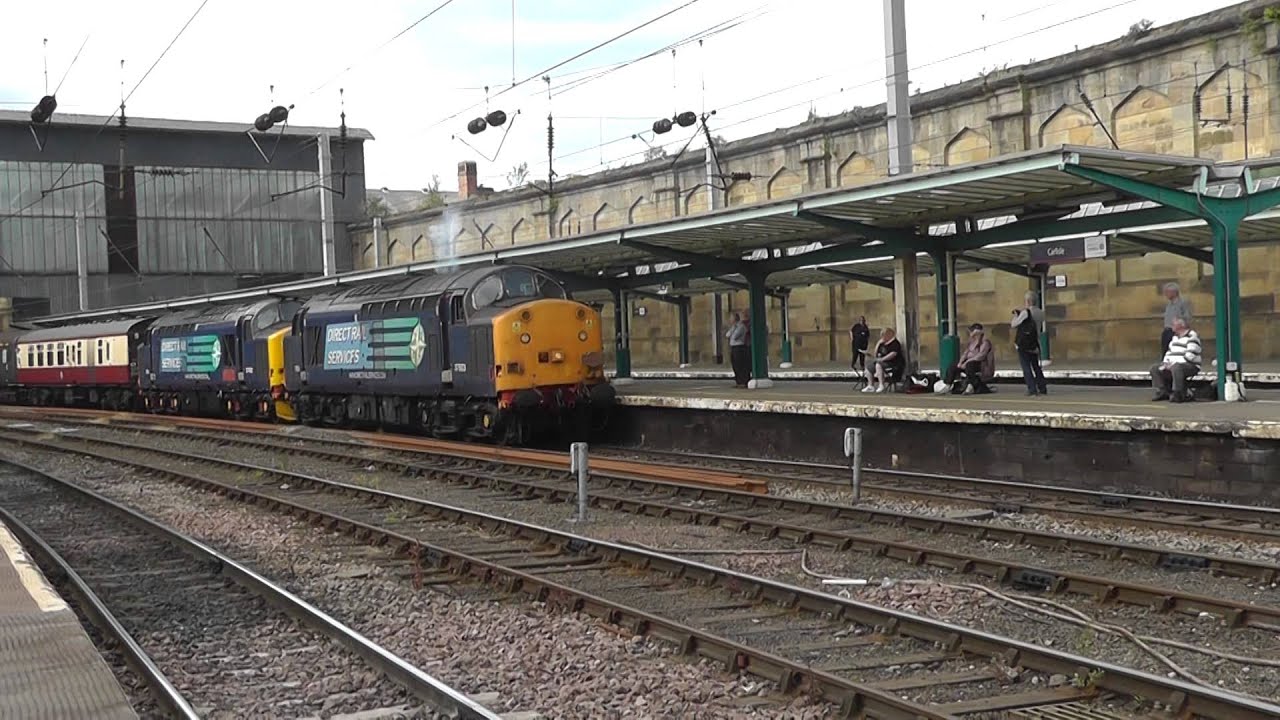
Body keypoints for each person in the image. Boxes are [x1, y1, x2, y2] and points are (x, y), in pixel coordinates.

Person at [1151, 316, 1202, 403]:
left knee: (1177, 367)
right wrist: (1165, 363)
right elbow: (1169, 352)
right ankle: (1162, 391)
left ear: (1181, 325)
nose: (1172, 326)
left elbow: (1190, 356)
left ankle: (1177, 393)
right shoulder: (1175, 338)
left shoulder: (1192, 337)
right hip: (1173, 364)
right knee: (1155, 368)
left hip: (1190, 365)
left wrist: (1172, 364)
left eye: (1173, 324)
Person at [1011, 292, 1047, 396]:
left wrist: (1016, 316)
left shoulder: (1026, 312)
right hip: (1034, 342)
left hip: (1024, 344)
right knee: (1036, 366)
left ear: (1028, 301)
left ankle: (1032, 389)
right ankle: (1042, 387)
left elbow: (1014, 324)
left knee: (1026, 367)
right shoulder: (1041, 312)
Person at [943, 323, 995, 394]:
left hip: (982, 365)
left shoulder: (985, 342)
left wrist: (966, 362)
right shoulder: (971, 342)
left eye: (972, 331)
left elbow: (981, 356)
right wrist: (960, 362)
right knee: (953, 366)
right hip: (969, 363)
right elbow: (965, 353)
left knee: (970, 365)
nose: (970, 332)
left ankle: (971, 386)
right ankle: (948, 385)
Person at [861, 328, 905, 393]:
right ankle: (870, 385)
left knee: (878, 365)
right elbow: (876, 354)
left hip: (892, 363)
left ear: (889, 335)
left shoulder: (895, 343)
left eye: (883, 335)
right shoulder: (882, 343)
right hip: (881, 361)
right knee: (869, 366)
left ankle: (881, 385)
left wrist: (882, 359)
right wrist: (878, 344)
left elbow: (893, 354)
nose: (882, 337)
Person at [1161, 282, 1193, 355]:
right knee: (1166, 352)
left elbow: (1188, 317)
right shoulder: (1169, 304)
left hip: (1177, 332)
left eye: (1167, 292)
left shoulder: (1183, 303)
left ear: (1174, 292)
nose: (1165, 294)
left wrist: (1180, 324)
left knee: (1175, 352)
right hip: (1167, 331)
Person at [726, 312, 750, 388]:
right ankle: (738, 381)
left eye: (731, 318)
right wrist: (733, 328)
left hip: (739, 347)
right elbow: (727, 335)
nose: (730, 320)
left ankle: (743, 381)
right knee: (735, 365)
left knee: (740, 365)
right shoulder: (734, 327)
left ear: (735, 318)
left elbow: (735, 336)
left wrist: (733, 329)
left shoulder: (741, 326)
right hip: (733, 347)